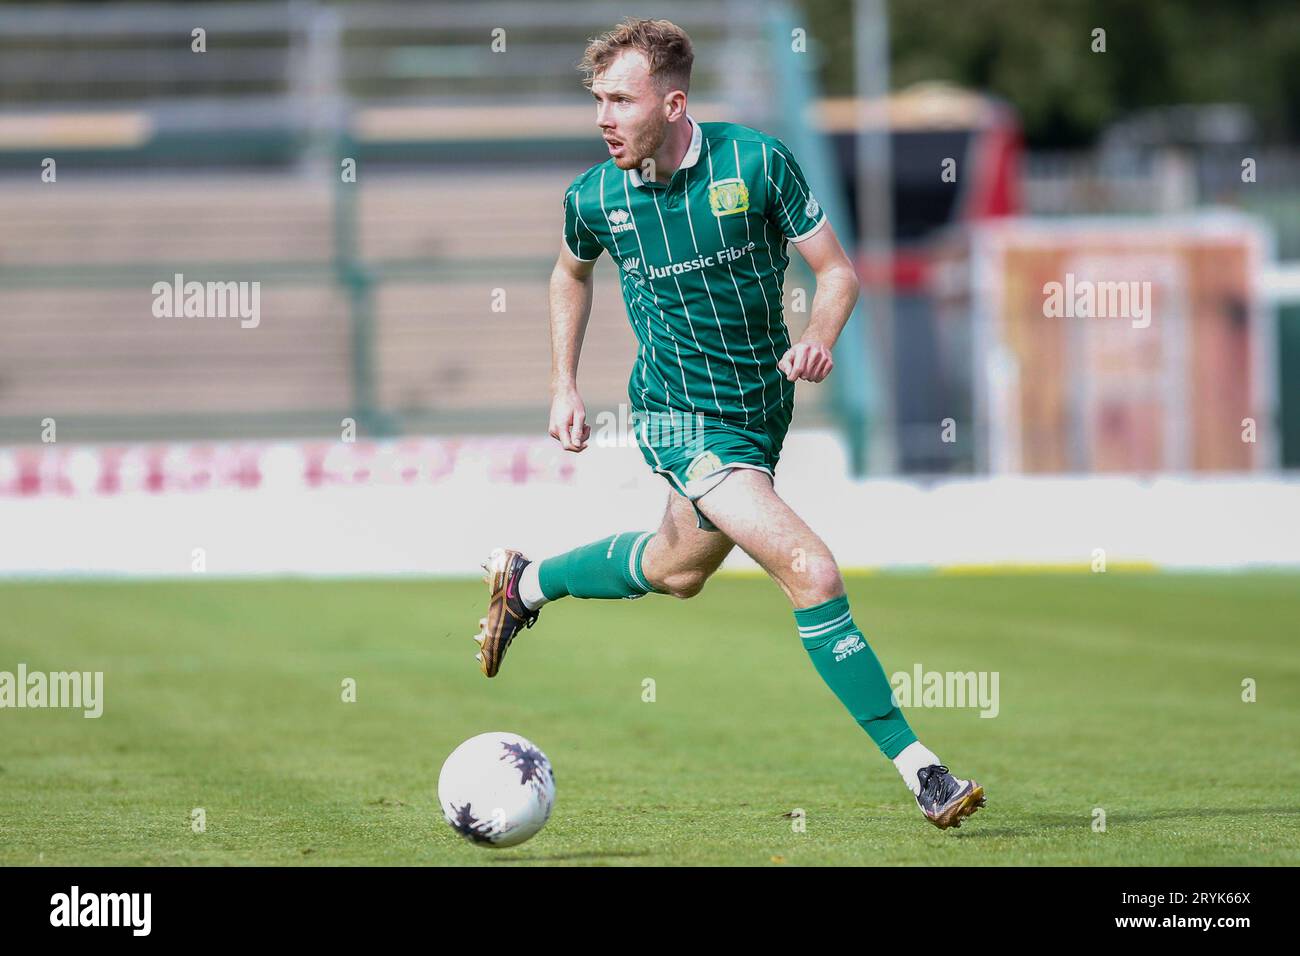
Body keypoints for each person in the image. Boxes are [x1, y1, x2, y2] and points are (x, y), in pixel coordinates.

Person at [474, 17, 983, 829]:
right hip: (677, 419)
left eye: (620, 100)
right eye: (597, 100)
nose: (604, 118)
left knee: (678, 570)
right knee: (811, 573)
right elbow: (569, 275)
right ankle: (921, 767)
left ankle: (526, 583)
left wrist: (817, 337)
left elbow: (838, 275)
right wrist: (563, 384)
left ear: (673, 103)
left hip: (759, 416)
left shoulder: (756, 163)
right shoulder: (595, 197)